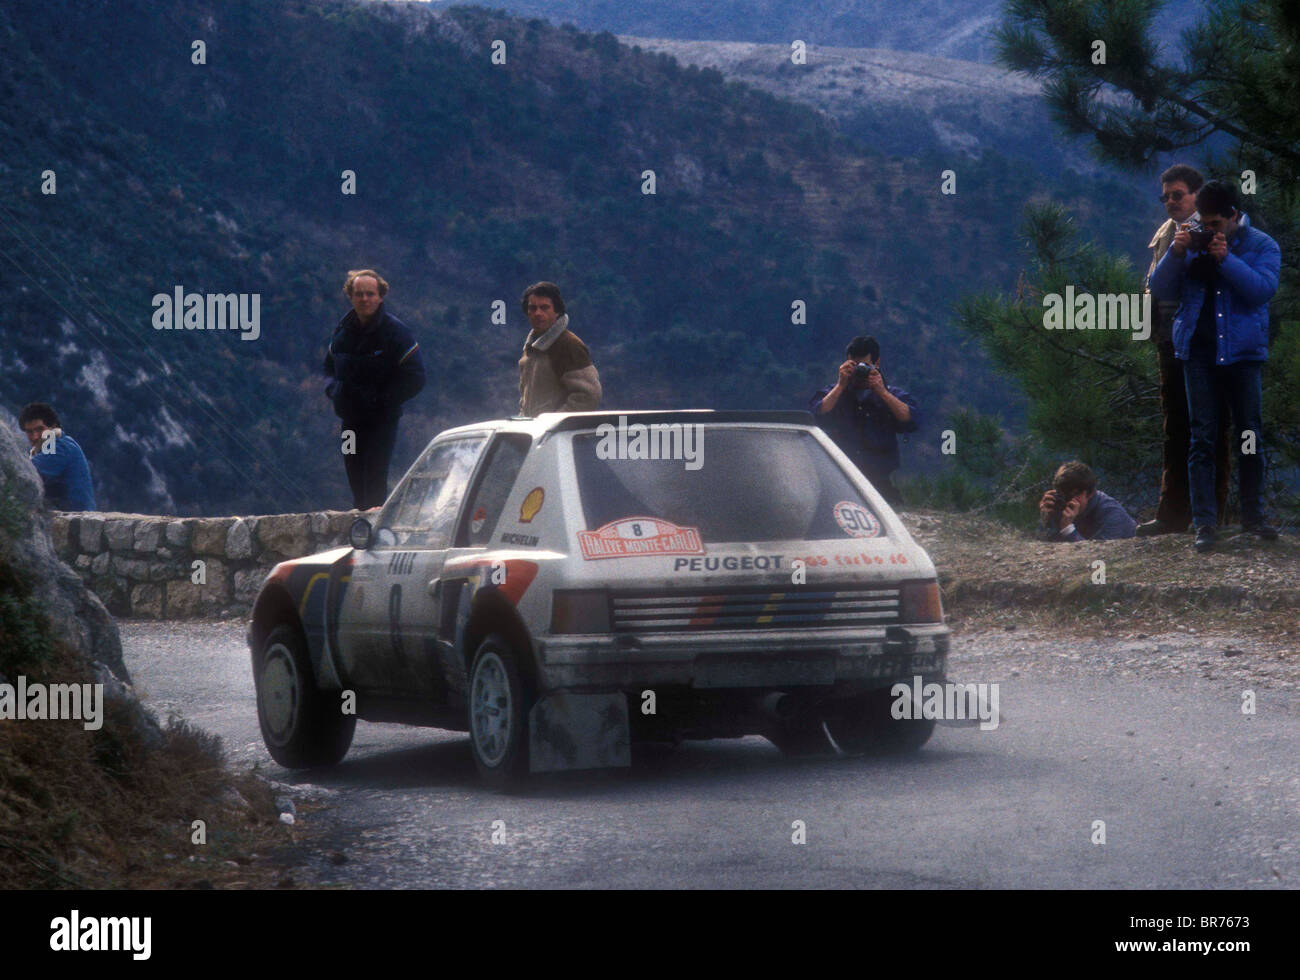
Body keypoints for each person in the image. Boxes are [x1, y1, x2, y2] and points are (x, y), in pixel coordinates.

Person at [1148, 179, 1280, 553]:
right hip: (1199, 355)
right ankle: (1204, 524)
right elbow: (1160, 290)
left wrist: (1227, 259)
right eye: (1203, 224)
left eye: (1216, 225)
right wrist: (1176, 254)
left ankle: (1253, 517)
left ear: (1233, 216)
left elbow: (1261, 290)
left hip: (1242, 356)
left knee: (1249, 436)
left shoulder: (1261, 245)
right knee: (1201, 438)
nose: (1208, 231)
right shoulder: (1191, 241)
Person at [1139, 164, 1231, 536]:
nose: (1170, 202)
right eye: (1166, 196)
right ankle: (1172, 514)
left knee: (1210, 429)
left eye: (1178, 194)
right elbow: (1154, 287)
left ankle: (1209, 515)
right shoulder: (1166, 233)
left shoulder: (1211, 229)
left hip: (1204, 343)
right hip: (1169, 341)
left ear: (1196, 194)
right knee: (1175, 426)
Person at [323, 269, 426, 510]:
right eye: (359, 294)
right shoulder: (342, 331)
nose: (365, 299)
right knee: (354, 473)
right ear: (350, 296)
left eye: (370, 294)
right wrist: (333, 390)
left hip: (382, 422)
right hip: (349, 422)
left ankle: (375, 531)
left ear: (381, 296)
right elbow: (328, 368)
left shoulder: (395, 332)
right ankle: (359, 525)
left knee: (375, 476)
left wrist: (383, 400)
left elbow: (416, 376)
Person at [810, 335, 919, 506]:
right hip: (841, 477)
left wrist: (882, 392)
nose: (859, 372)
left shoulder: (891, 393)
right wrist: (841, 385)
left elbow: (910, 418)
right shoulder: (835, 392)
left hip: (879, 479)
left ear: (877, 363)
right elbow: (817, 414)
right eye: (854, 365)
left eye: (865, 366)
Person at [517, 281, 601, 417]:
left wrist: (553, 424)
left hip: (559, 435)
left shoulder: (568, 345)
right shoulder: (530, 349)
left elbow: (588, 395)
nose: (537, 313)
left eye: (544, 308)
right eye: (532, 308)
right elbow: (525, 402)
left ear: (557, 312)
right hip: (536, 435)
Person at [18, 402, 97, 511]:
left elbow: (26, 472)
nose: (35, 436)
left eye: (40, 429)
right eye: (29, 432)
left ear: (53, 427)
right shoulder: (58, 444)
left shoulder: (59, 446)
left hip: (74, 519)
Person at [1038, 461, 1136, 542]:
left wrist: (1068, 529)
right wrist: (1046, 521)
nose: (1069, 500)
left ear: (1090, 493)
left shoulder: (1111, 514)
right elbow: (1045, 545)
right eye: (1064, 493)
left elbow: (1097, 558)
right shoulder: (1060, 505)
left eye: (1075, 494)